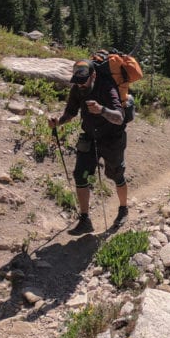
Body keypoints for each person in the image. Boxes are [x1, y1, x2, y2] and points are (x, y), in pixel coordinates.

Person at [48, 59, 129, 235]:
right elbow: (70, 113)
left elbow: (119, 117)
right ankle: (84, 220)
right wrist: (58, 122)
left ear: (93, 76)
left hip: (112, 138)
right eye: (77, 82)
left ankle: (123, 209)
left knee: (116, 174)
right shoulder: (78, 88)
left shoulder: (107, 87)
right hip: (90, 137)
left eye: (83, 81)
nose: (80, 86)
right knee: (80, 175)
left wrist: (101, 110)